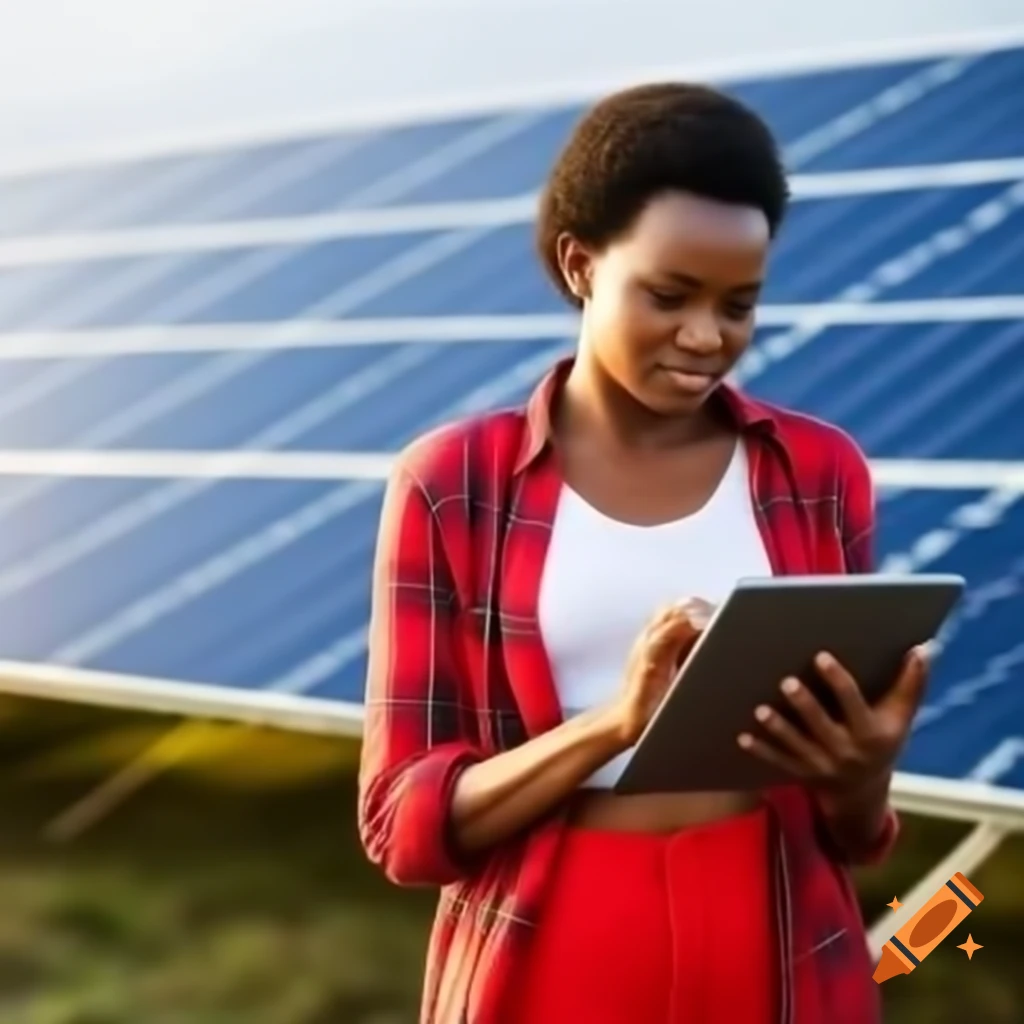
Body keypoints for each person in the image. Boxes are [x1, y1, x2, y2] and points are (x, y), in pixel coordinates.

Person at [357, 82, 929, 1024]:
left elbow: (856, 839)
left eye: (739, 306)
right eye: (669, 295)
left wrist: (859, 771)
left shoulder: (819, 471)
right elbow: (403, 828)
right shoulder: (454, 482)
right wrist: (613, 725)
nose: (707, 338)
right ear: (581, 265)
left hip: (778, 933)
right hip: (553, 941)